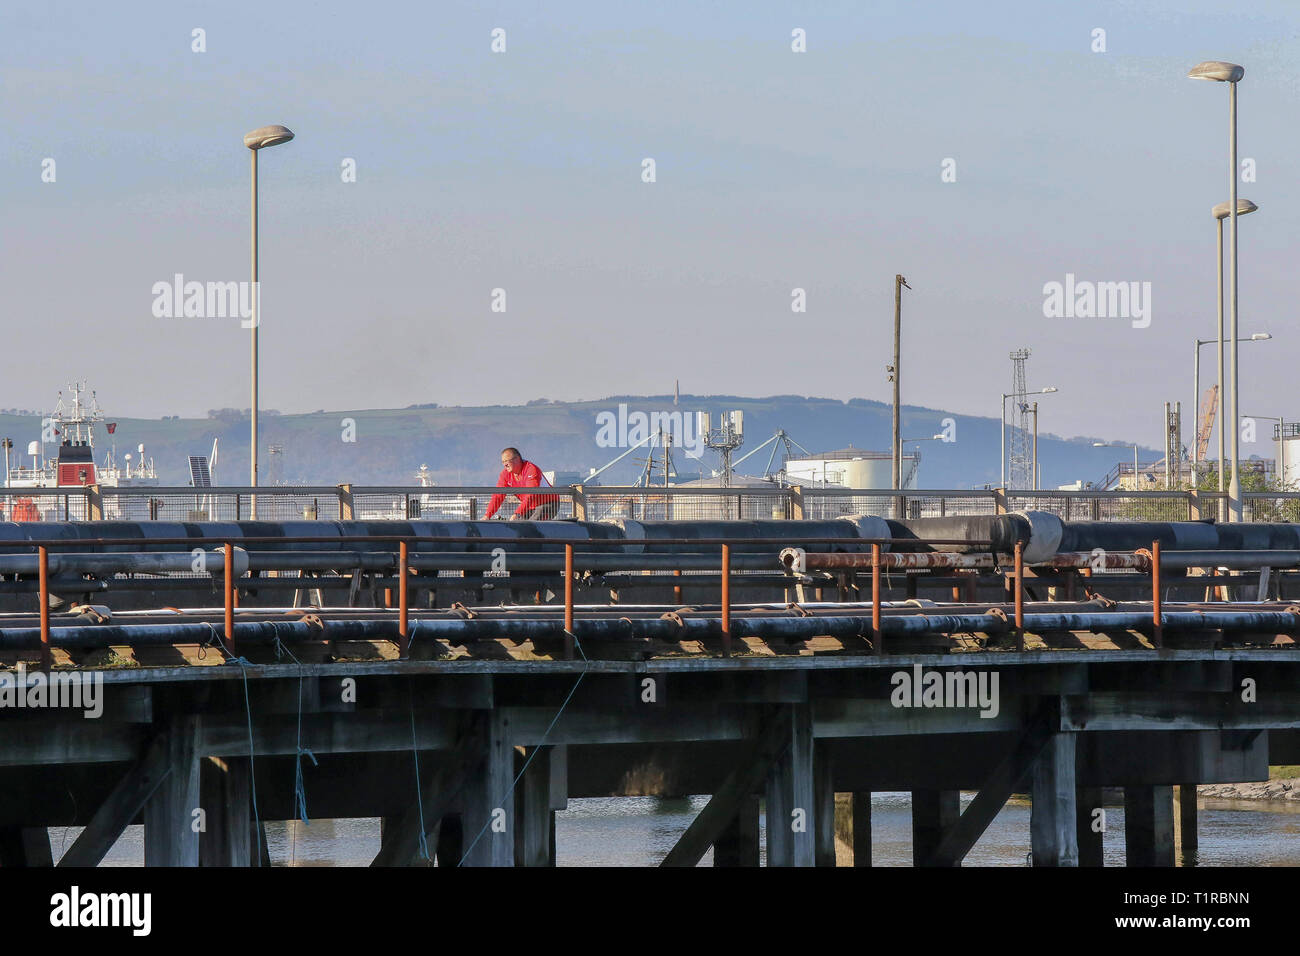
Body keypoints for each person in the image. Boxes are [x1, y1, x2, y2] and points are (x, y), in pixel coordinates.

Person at [484, 447, 561, 520]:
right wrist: (487, 515)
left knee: (532, 526)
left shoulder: (531, 469)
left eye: (507, 461)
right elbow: (498, 496)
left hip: (548, 504)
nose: (505, 464)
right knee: (518, 525)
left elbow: (531, 494)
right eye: (503, 462)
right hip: (530, 507)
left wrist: (517, 513)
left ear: (517, 459)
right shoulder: (505, 474)